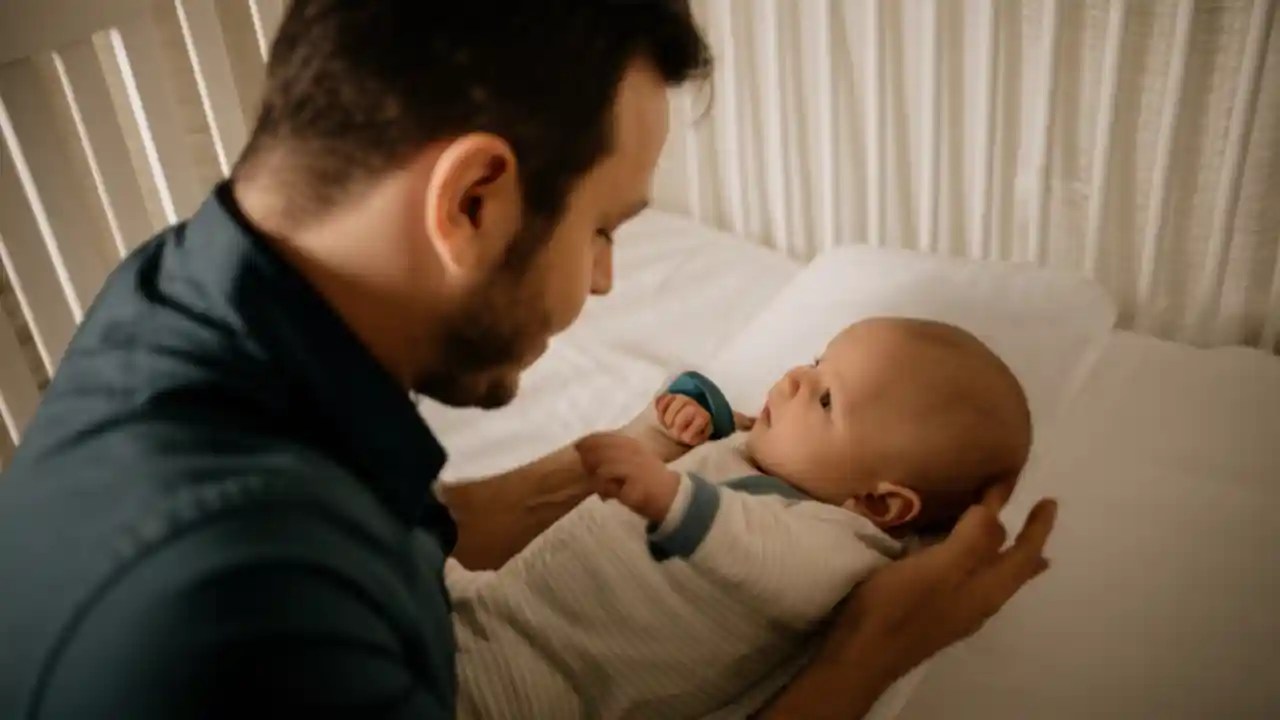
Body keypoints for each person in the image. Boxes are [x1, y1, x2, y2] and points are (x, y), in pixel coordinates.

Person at [0, 3, 1055, 718]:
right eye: (603, 227)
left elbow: (415, 523)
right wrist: (866, 652)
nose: (600, 281)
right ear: (470, 201)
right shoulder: (264, 621)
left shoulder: (183, 295)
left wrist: (622, 463)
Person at [447, 318, 1033, 718]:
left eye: (827, 399)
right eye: (815, 362)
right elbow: (704, 459)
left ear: (880, 503)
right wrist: (671, 426)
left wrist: (667, 496)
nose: (798, 378)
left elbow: (756, 550)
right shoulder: (756, 452)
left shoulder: (840, 549)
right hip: (503, 601)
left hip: (553, 680)